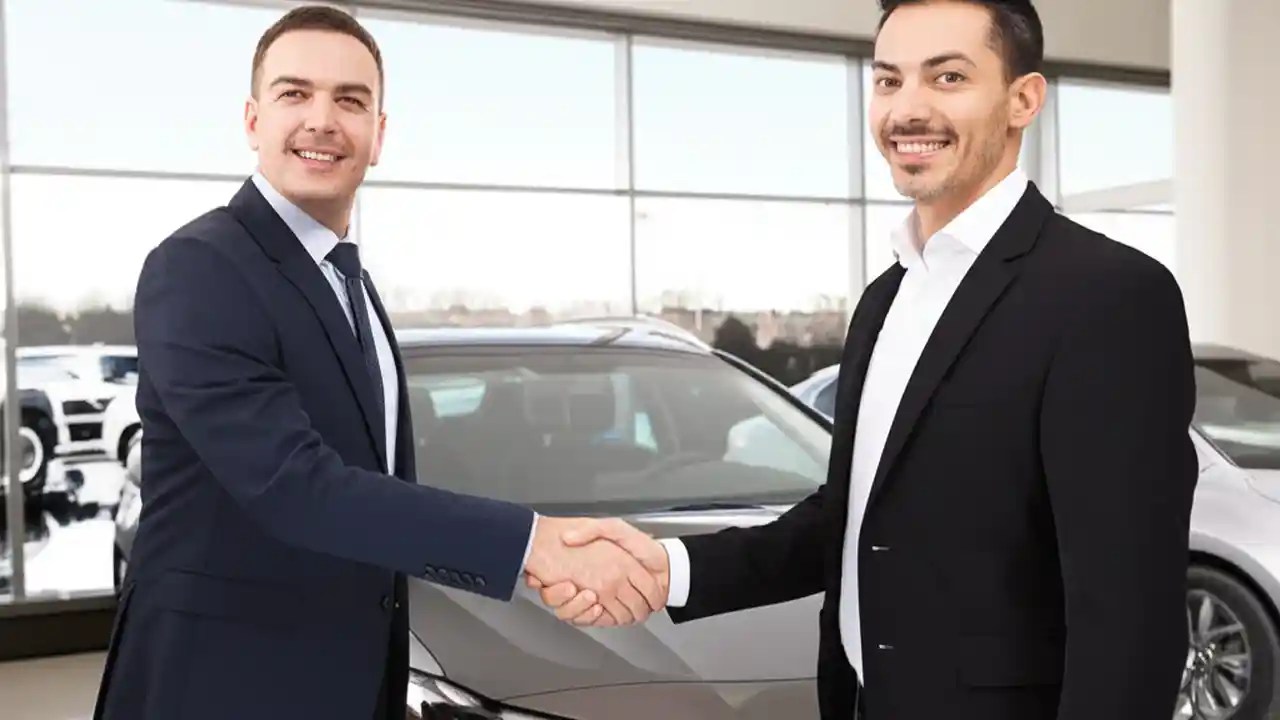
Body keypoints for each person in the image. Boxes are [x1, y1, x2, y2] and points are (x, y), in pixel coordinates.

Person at [536, 1, 1199, 718]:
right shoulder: (887, 298)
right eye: (888, 81)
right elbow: (854, 516)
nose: (907, 110)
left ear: (1022, 100)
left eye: (947, 78)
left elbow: (1130, 617)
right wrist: (668, 569)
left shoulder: (1109, 295)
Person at [92, 7, 665, 720]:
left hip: (347, 681)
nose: (322, 120)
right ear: (251, 121)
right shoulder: (201, 267)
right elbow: (295, 486)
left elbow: (374, 489)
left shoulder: (348, 282)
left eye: (351, 100)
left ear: (379, 135)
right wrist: (533, 546)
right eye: (294, 94)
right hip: (221, 684)